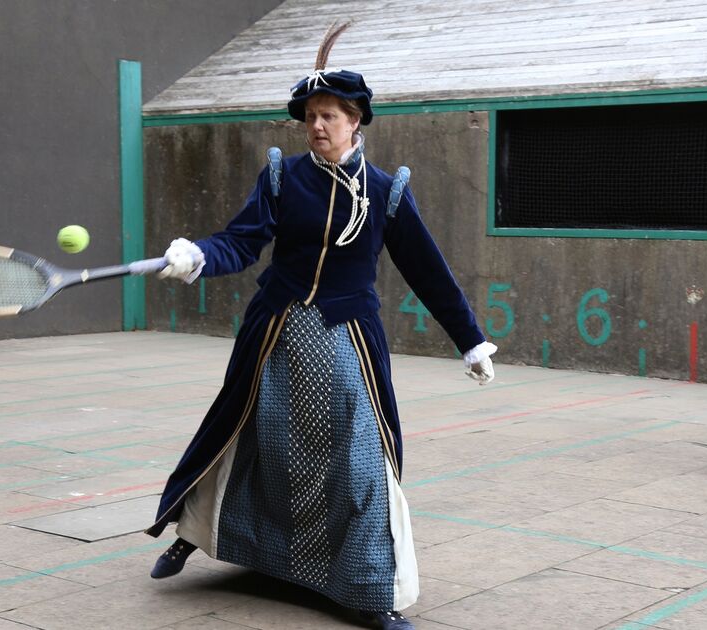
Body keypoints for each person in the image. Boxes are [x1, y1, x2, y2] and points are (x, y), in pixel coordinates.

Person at [143, 23, 496, 630]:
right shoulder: (284, 178)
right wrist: (198, 255)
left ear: (356, 120)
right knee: (241, 436)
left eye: (329, 114)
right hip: (274, 335)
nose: (317, 125)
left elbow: (428, 272)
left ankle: (368, 591)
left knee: (361, 462)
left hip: (346, 342)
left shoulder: (386, 193)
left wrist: (470, 340)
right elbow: (241, 242)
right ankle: (192, 535)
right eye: (310, 115)